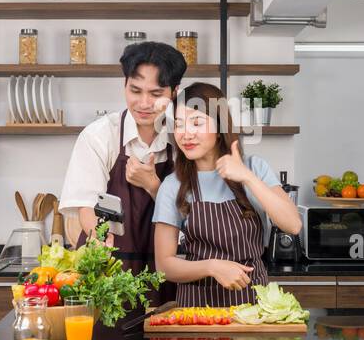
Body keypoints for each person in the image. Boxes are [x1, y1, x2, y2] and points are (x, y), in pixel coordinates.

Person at [152, 82, 302, 307]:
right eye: (179, 124)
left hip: (251, 308)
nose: (186, 134)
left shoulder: (254, 168)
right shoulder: (173, 185)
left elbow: (293, 225)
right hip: (197, 312)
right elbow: (164, 266)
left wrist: (247, 177)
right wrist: (212, 267)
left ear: (220, 127)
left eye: (197, 123)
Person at [59, 41, 185, 303]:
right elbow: (87, 206)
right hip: (110, 273)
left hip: (170, 273)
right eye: (135, 90)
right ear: (124, 84)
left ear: (174, 92)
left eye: (156, 93)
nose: (144, 102)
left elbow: (193, 215)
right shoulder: (99, 135)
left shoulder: (184, 138)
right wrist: (99, 240)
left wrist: (153, 185)